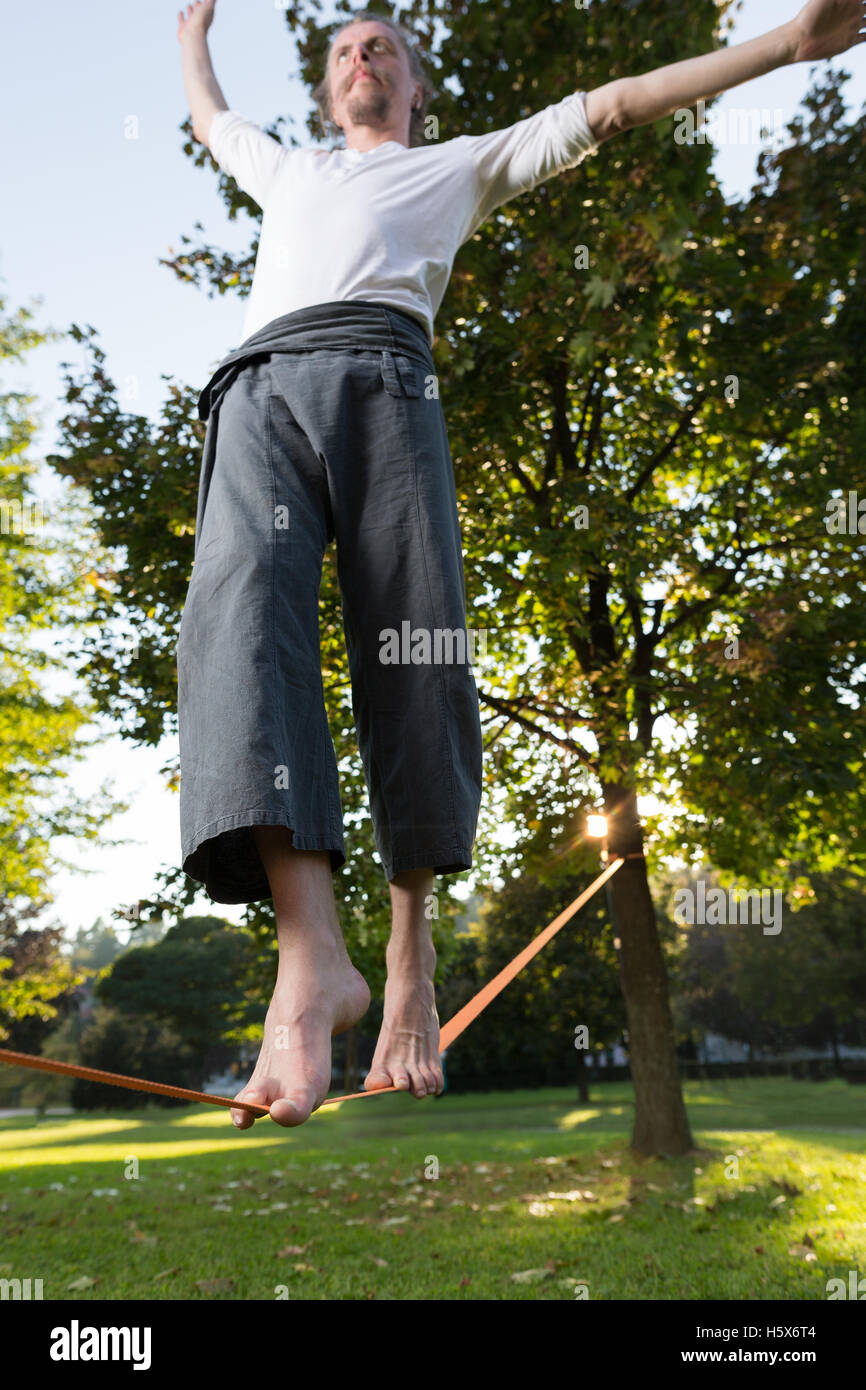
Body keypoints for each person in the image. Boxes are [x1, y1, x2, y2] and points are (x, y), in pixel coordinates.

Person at [175, 0, 864, 1129]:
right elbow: (208, 117)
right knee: (238, 624)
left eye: (384, 45)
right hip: (261, 386)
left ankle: (407, 947)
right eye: (344, 46)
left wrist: (784, 45)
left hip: (390, 376)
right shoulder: (287, 168)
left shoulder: (456, 164)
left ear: (416, 86)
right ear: (321, 88)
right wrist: (191, 33)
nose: (364, 53)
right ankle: (310, 960)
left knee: (417, 644)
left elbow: (611, 107)